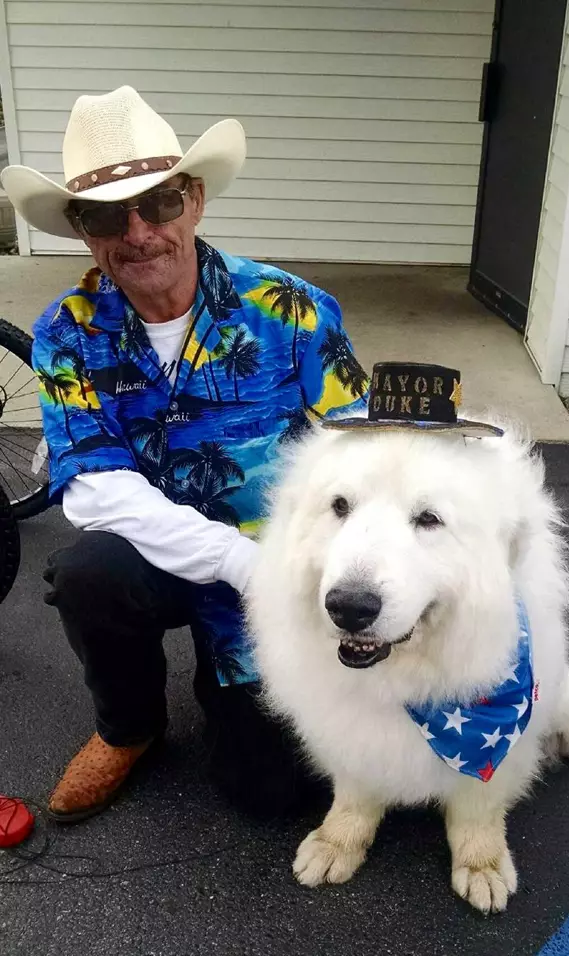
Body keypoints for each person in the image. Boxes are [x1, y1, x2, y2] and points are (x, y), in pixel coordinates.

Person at [0, 86, 368, 822]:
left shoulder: (290, 308)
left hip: (287, 568)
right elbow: (94, 488)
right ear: (80, 228)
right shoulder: (65, 332)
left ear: (194, 200)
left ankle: (225, 675)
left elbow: (359, 451)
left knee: (275, 798)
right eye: (106, 214)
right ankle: (128, 727)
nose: (137, 233)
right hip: (182, 560)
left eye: (158, 203)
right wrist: (237, 563)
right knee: (87, 572)